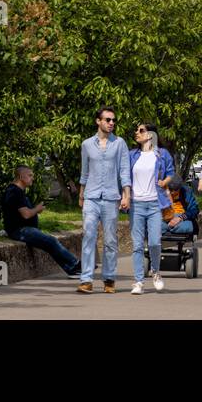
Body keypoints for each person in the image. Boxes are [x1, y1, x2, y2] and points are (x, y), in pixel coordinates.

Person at [77, 107, 131, 294]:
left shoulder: (120, 143)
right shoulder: (86, 144)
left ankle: (109, 278)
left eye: (113, 120)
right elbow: (85, 172)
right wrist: (81, 194)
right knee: (88, 236)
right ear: (98, 121)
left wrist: (126, 195)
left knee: (110, 240)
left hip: (110, 198)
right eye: (107, 120)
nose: (111, 123)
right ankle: (86, 280)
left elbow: (124, 171)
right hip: (91, 196)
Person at [3, 165, 80, 278]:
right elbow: (26, 214)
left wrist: (35, 210)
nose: (32, 178)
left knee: (49, 244)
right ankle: (76, 264)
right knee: (51, 241)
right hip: (19, 230)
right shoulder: (14, 191)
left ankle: (72, 270)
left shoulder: (19, 191)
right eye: (30, 175)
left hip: (26, 229)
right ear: (21, 176)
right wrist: (37, 209)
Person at [128, 122, 176, 295]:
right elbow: (125, 176)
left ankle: (156, 272)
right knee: (137, 245)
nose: (137, 133)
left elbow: (171, 172)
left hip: (155, 203)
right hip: (137, 205)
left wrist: (165, 182)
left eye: (141, 130)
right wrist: (125, 196)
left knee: (155, 242)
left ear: (151, 135)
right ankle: (138, 281)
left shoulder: (162, 154)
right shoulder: (132, 155)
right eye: (137, 130)